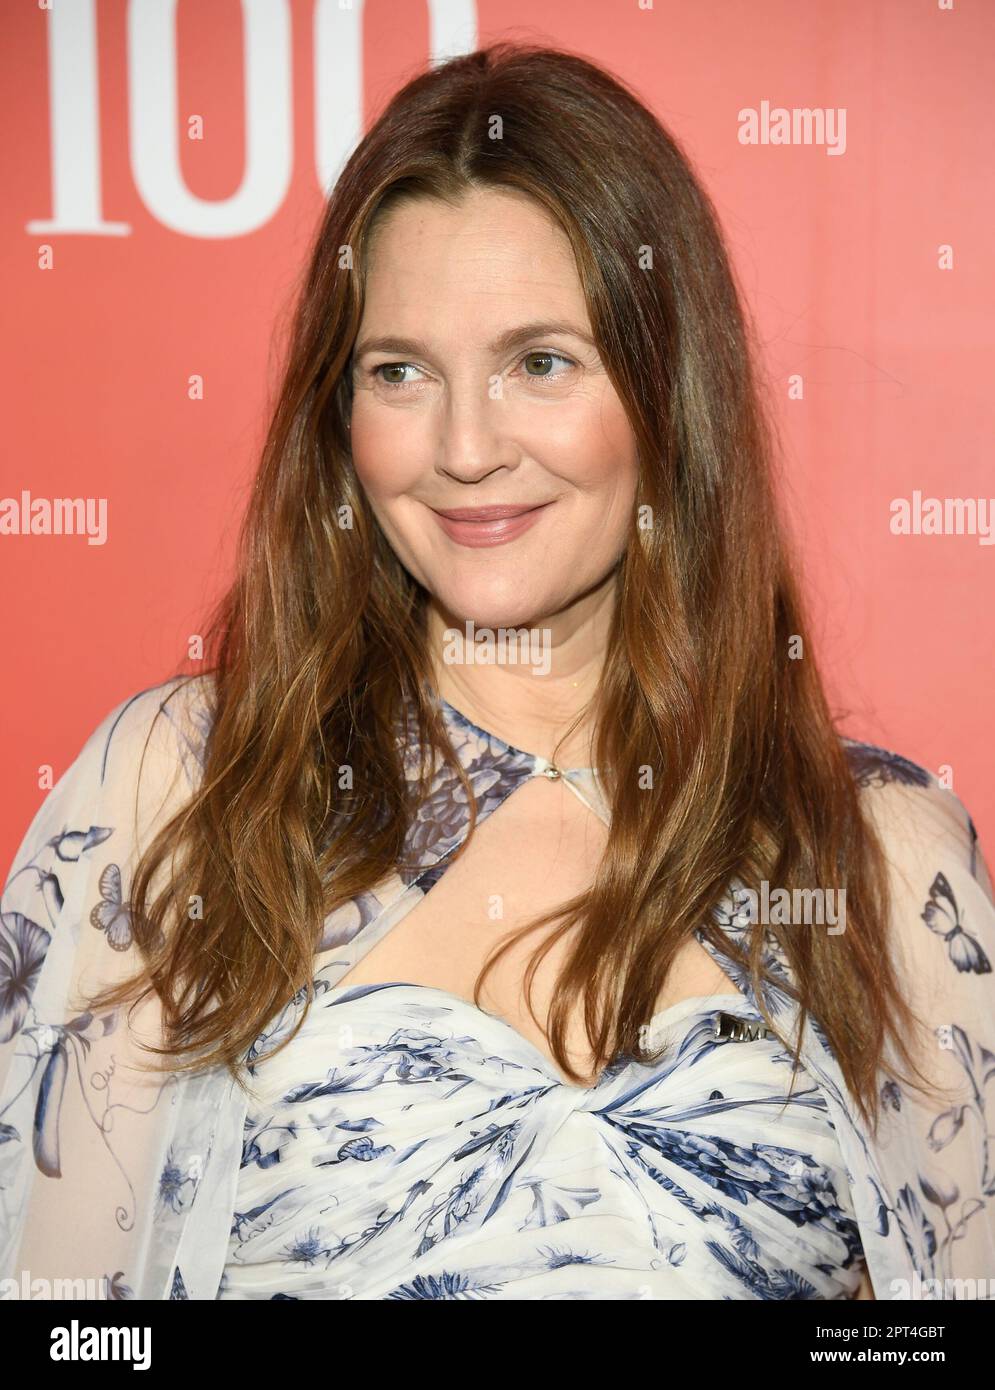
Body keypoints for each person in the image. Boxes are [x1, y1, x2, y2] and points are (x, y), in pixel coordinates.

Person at [2, 42, 993, 1302]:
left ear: (663, 391)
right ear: (338, 417)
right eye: (399, 372)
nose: (465, 448)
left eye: (539, 361)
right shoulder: (187, 792)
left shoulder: (875, 858)